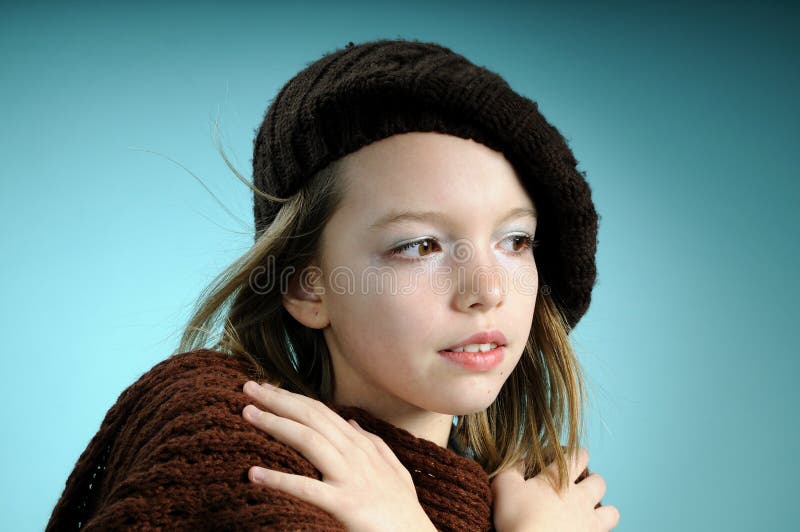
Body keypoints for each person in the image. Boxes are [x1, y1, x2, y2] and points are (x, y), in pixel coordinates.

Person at [47, 38, 620, 530]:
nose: (487, 291)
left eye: (515, 240)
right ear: (306, 287)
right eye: (420, 246)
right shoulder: (234, 444)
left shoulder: (542, 501)